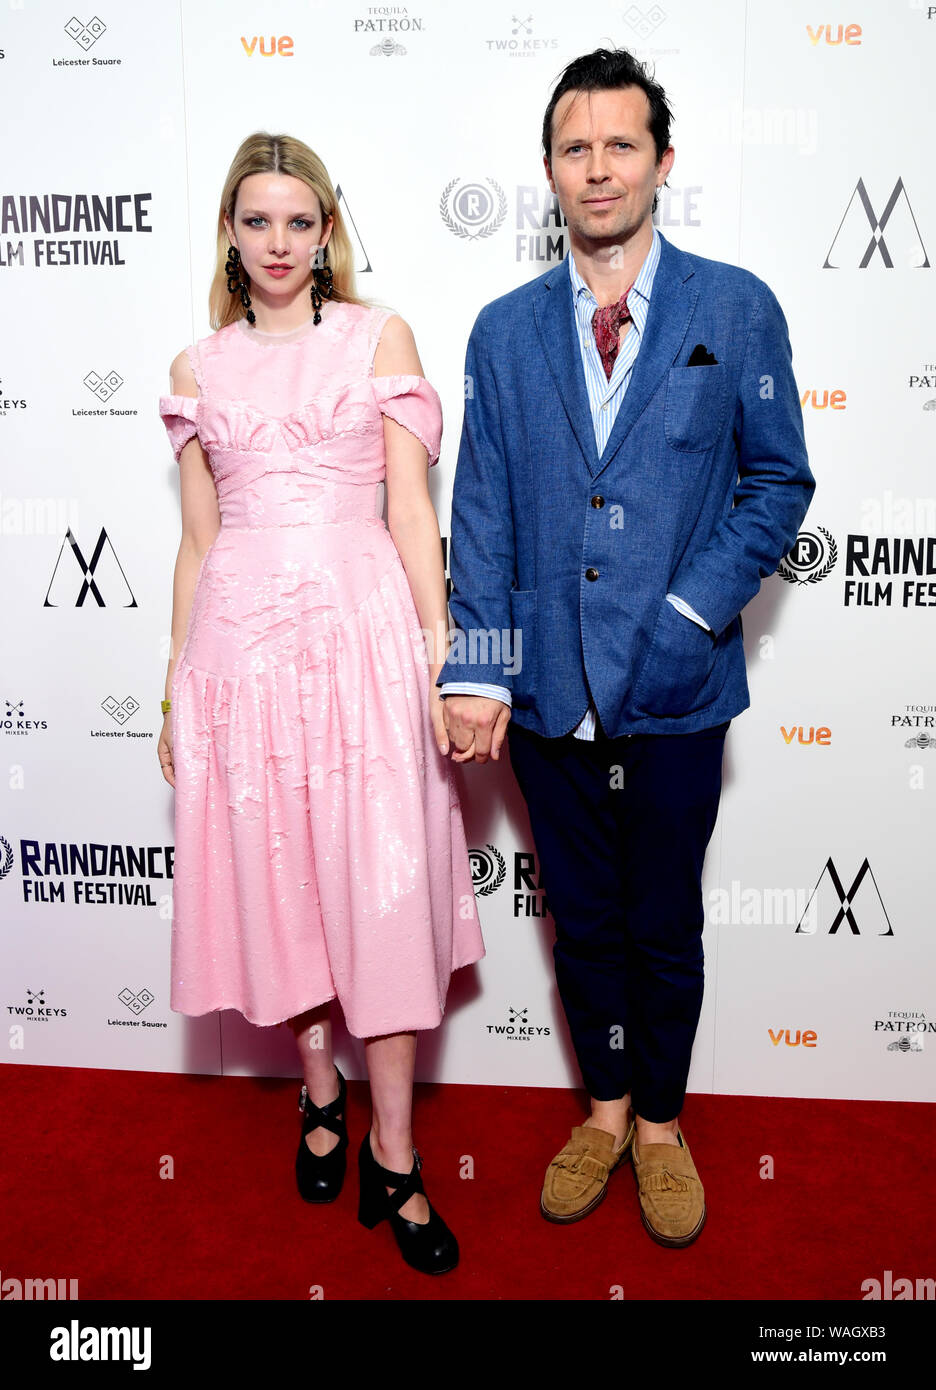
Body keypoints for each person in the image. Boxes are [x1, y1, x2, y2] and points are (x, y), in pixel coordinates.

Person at [436, 48, 814, 1246]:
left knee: (663, 920)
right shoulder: (502, 334)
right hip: (546, 694)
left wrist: (696, 613)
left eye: (619, 144)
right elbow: (482, 511)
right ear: (548, 170)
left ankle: (659, 1123)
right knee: (581, 924)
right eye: (573, 147)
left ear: (662, 160)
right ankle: (599, 1110)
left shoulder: (735, 306)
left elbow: (777, 480)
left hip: (675, 690)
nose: (596, 168)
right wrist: (478, 664)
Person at [156, 131, 483, 1276]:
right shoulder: (198, 364)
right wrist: (170, 691)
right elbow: (199, 544)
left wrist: (449, 661)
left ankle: (396, 1156)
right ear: (232, 236)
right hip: (239, 653)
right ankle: (318, 1088)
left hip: (361, 636)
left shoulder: (376, 337)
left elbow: (410, 513)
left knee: (381, 889)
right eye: (259, 222)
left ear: (329, 230)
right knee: (280, 872)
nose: (281, 242)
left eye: (302, 221)